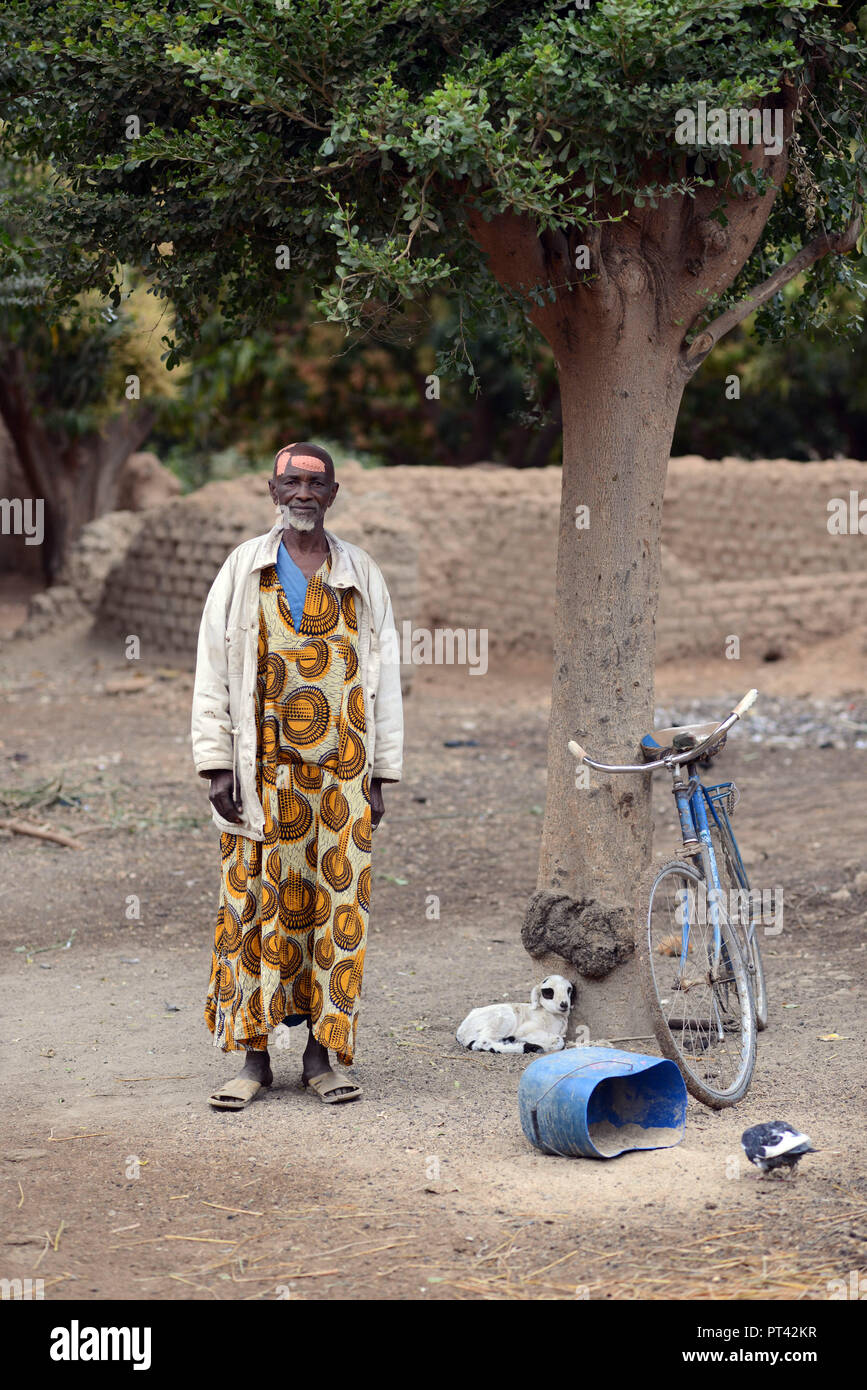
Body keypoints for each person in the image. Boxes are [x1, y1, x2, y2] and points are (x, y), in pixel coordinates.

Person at [190, 441, 403, 1109]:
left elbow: (385, 675)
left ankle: (320, 1057)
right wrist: (216, 762)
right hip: (259, 779)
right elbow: (211, 670)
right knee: (251, 909)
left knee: (332, 914)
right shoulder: (242, 569)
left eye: (316, 483)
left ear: (333, 494)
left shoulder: (359, 572)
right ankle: (252, 1061)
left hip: (339, 780)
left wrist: (382, 773)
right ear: (274, 491)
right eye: (292, 482)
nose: (304, 493)